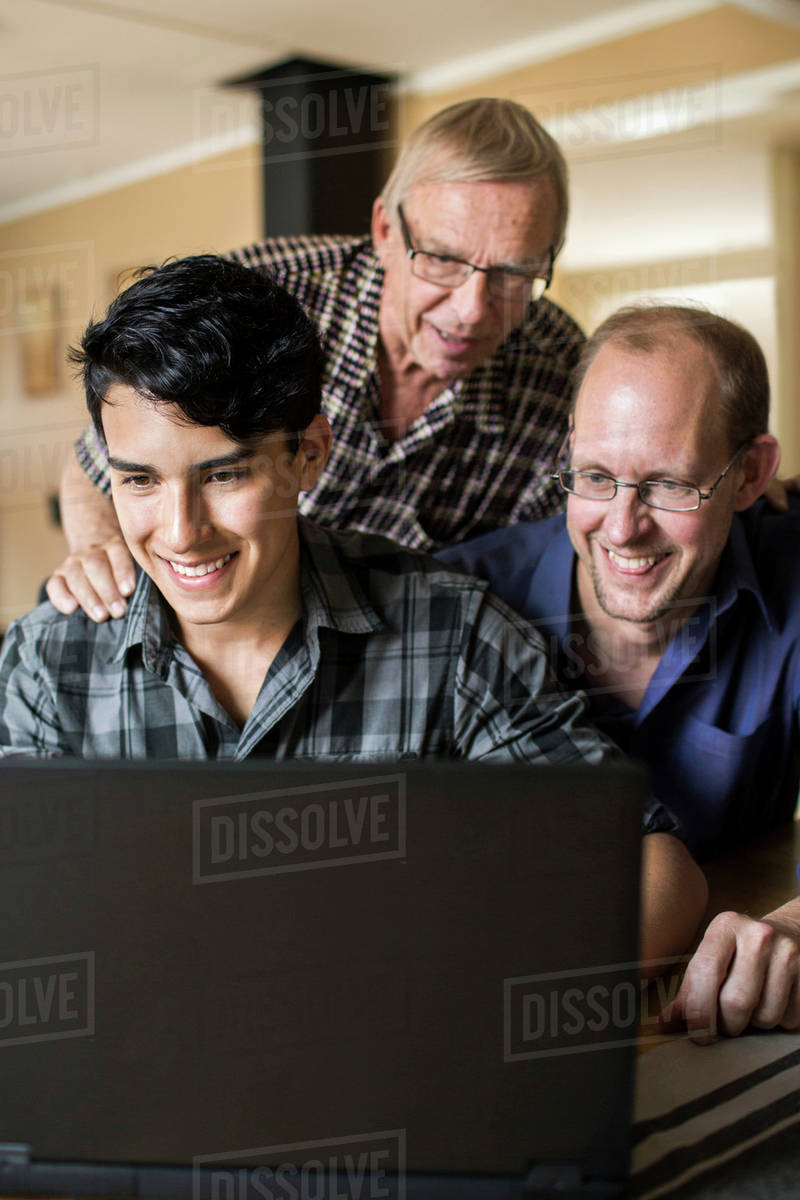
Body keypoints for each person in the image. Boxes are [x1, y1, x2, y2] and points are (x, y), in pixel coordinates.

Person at [0, 255, 705, 969]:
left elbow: (653, 871)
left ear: (309, 454)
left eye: (224, 474)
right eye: (140, 481)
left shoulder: (450, 635)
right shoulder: (46, 666)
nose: (180, 532)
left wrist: (462, 990)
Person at [47, 97, 583, 623]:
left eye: (514, 274)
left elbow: (537, 574)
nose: (472, 310)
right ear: (384, 231)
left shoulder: (558, 370)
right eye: (441, 259)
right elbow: (99, 464)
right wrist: (99, 554)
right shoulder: (266, 297)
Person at [440, 303, 800, 1041]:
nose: (623, 526)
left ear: (752, 473)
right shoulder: (460, 600)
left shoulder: (795, 581)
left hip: (708, 1004)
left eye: (670, 485)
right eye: (596, 476)